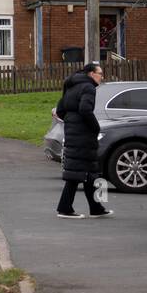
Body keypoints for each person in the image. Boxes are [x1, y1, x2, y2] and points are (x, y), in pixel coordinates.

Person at [55, 62, 114, 219]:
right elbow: (85, 109)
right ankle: (65, 209)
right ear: (91, 74)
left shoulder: (71, 85)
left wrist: (71, 122)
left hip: (73, 132)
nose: (102, 77)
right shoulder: (88, 87)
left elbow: (60, 110)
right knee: (78, 173)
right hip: (83, 134)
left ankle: (96, 208)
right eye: (100, 74)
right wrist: (95, 127)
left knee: (89, 172)